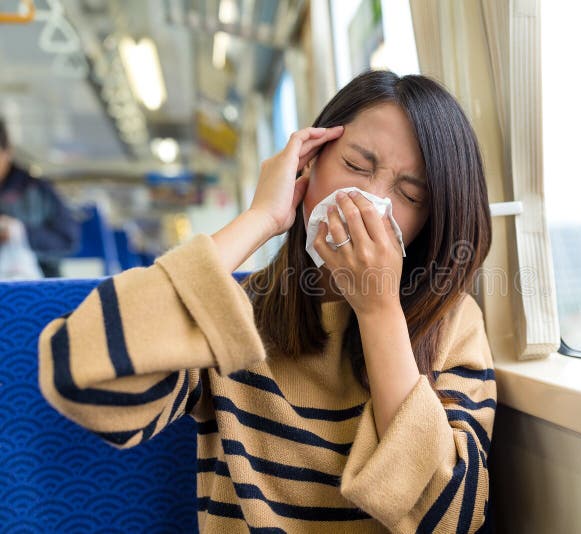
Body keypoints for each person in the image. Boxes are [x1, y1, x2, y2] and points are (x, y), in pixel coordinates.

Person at [38, 70, 495, 533]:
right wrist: (260, 217)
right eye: (356, 167)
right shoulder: (230, 313)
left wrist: (378, 313)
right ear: (307, 165)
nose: (370, 202)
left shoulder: (452, 324)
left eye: (409, 193)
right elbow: (83, 374)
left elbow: (451, 518)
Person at [0, 118, 80, 277]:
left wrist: (18, 232)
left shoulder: (38, 191)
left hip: (36, 291)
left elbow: (66, 241)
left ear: (7, 152)